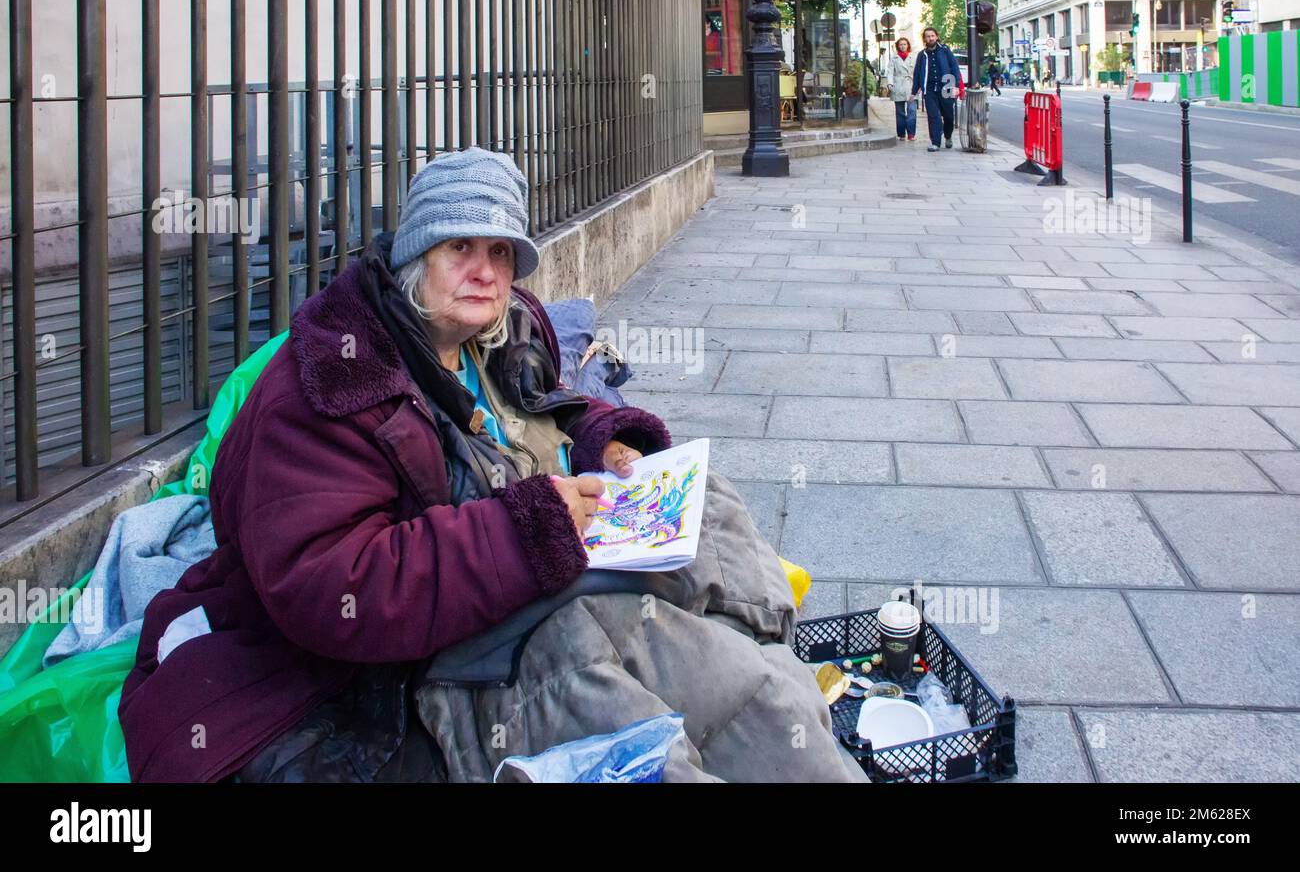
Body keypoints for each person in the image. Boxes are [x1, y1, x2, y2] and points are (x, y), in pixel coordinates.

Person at [117, 147, 866, 784]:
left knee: (713, 510)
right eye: (461, 250)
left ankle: (766, 657)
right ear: (417, 256)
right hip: (421, 658)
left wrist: (603, 442)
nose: (484, 272)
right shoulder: (334, 381)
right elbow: (331, 585)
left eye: (500, 252)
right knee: (611, 654)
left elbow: (549, 408)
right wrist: (528, 528)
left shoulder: (504, 329)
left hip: (537, 570)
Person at [911, 26, 964, 152]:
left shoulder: (945, 50)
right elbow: (917, 73)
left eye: (932, 36)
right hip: (929, 90)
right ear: (924, 39)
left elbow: (954, 67)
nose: (930, 38)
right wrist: (914, 91)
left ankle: (948, 135)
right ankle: (935, 142)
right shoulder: (922, 55)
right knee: (933, 116)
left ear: (936, 37)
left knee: (949, 116)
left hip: (946, 87)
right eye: (927, 36)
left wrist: (956, 86)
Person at [886, 37, 917, 141]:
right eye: (901, 44)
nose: (903, 46)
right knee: (900, 112)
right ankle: (901, 134)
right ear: (898, 46)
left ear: (908, 45)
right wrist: (890, 83)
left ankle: (911, 134)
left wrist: (919, 85)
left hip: (911, 86)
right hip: (898, 86)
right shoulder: (894, 58)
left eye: (904, 44)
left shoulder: (913, 57)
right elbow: (890, 72)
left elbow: (917, 72)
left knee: (912, 110)